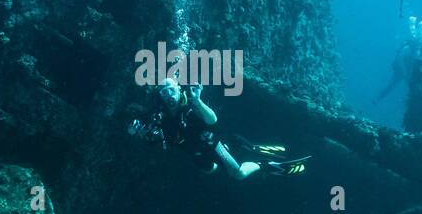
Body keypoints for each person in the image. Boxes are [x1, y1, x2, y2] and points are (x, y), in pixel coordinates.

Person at [128, 77, 309, 179]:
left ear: (178, 88)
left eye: (171, 89)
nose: (168, 95)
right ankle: (239, 145)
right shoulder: (160, 115)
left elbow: (212, 119)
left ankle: (262, 164)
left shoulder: (191, 104)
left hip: (211, 144)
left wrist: (198, 101)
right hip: (195, 153)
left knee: (238, 174)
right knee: (210, 169)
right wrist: (140, 133)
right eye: (163, 92)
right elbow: (155, 138)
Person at [374, 15, 422, 104]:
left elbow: (421, 60)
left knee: (411, 87)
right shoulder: (407, 48)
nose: (418, 44)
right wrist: (404, 72)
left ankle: (413, 103)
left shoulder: (419, 49)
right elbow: (400, 59)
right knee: (391, 86)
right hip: (400, 71)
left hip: (410, 71)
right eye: (417, 42)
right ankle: (377, 99)